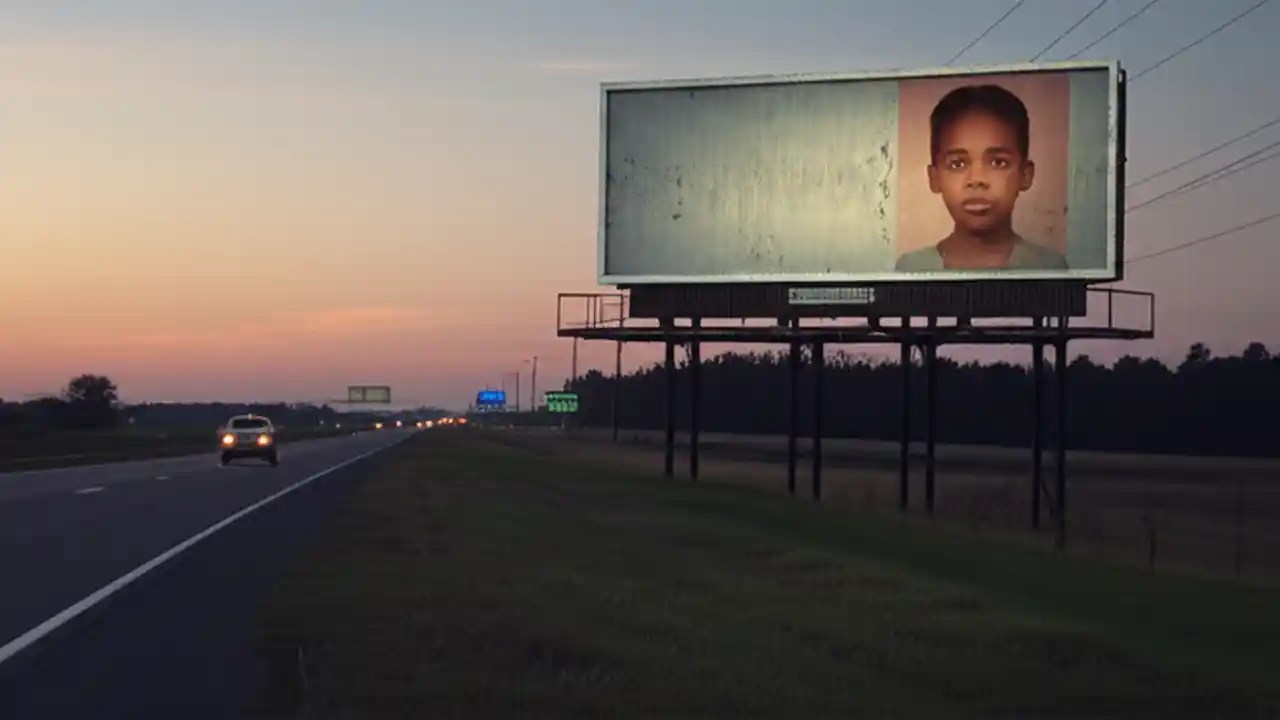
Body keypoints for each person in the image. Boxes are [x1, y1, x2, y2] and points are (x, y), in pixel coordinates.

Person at [895, 84, 1067, 271]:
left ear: (1025, 174)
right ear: (934, 178)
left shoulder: (1047, 268)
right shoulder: (913, 269)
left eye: (998, 163)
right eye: (957, 164)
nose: (977, 180)